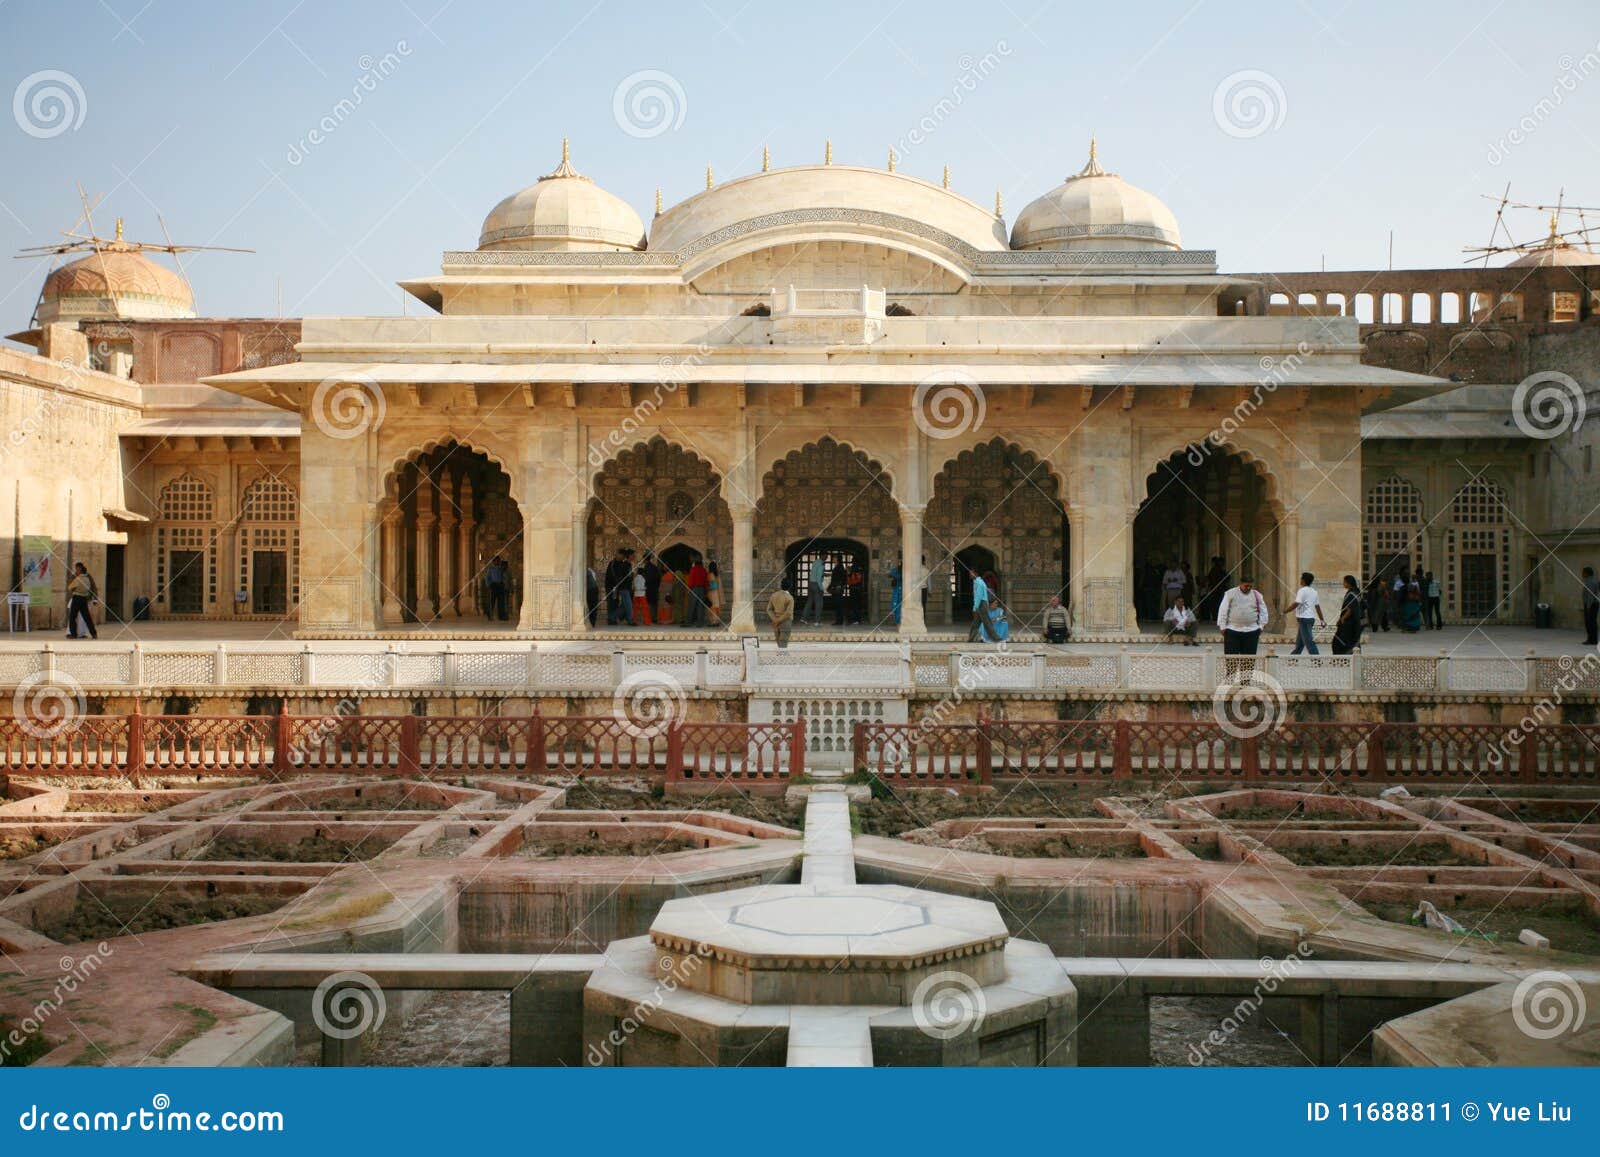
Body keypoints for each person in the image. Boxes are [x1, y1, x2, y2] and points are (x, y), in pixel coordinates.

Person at [1216, 576, 1268, 655]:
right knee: (1231, 659)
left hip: (1252, 630)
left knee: (1248, 659)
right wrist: (1222, 626)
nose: (1248, 588)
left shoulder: (1257, 595)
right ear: (1241, 584)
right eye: (1246, 586)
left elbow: (1263, 611)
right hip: (1233, 629)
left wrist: (1261, 625)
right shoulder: (1230, 593)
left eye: (1250, 586)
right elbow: (1223, 610)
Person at [1284, 571, 1325, 655]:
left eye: (1301, 578)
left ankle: (1317, 659)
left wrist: (1285, 611)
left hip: (1304, 619)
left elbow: (1296, 603)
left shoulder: (1302, 591)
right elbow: (1317, 607)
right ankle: (1293, 658)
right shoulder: (1314, 591)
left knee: (1308, 641)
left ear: (1303, 580)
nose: (1300, 580)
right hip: (1310, 619)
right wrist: (1322, 620)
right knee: (1300, 642)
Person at [65, 562, 97, 639]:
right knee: (87, 617)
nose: (76, 570)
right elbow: (91, 587)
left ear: (80, 569)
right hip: (84, 599)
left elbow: (70, 587)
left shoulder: (78, 577)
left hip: (77, 598)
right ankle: (94, 634)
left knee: (73, 617)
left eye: (77, 568)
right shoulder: (87, 577)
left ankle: (74, 634)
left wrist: (95, 599)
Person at [1332, 574, 1363, 655]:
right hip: (1351, 621)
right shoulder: (1354, 591)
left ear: (1348, 583)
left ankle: (1344, 657)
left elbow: (1350, 608)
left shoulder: (1352, 593)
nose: (1343, 584)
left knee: (1341, 640)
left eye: (1344, 582)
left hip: (1349, 622)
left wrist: (1342, 619)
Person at [967, 566, 995, 642]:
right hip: (981, 605)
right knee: (978, 623)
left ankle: (992, 638)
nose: (970, 575)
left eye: (971, 573)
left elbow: (978, 597)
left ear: (975, 573)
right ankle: (974, 638)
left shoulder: (979, 582)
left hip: (981, 605)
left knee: (984, 623)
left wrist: (975, 608)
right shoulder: (976, 582)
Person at [766, 585, 794, 649]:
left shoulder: (773, 595)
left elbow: (769, 609)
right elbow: (788, 613)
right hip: (786, 621)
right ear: (790, 587)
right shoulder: (789, 597)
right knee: (783, 641)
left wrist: (775, 619)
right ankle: (782, 656)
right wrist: (778, 620)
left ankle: (780, 655)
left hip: (775, 620)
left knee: (778, 640)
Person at [685, 556, 709, 627]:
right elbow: (706, 581)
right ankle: (700, 623)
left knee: (691, 606)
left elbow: (691, 580)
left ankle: (689, 622)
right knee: (700, 606)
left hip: (694, 589)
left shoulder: (693, 569)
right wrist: (705, 590)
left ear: (695, 564)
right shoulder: (704, 570)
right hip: (702, 589)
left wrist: (689, 589)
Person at [485, 557, 510, 622]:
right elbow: (487, 578)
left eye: (498, 561)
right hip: (493, 586)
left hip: (500, 586)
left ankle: (501, 616)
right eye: (495, 561)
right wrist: (488, 585)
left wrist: (504, 585)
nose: (497, 562)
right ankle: (490, 615)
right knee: (491, 601)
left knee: (501, 602)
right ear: (493, 562)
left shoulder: (501, 569)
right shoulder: (490, 569)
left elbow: (504, 576)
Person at [804, 555, 826, 624]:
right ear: (823, 556)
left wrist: (824, 574)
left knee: (809, 602)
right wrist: (821, 588)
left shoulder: (815, 562)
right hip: (816, 584)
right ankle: (817, 621)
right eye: (826, 556)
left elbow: (815, 573)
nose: (827, 558)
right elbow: (818, 578)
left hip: (811, 583)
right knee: (818, 603)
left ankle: (804, 618)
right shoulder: (821, 564)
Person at [1583, 566, 1600, 647]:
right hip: (1593, 604)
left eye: (1583, 572)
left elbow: (1590, 595)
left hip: (1591, 604)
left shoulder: (1590, 582)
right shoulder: (1593, 580)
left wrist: (1588, 607)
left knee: (1590, 623)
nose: (1582, 574)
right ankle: (1592, 639)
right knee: (1592, 622)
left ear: (1586, 573)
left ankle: (1592, 640)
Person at [831, 556, 849, 626]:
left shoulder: (840, 567)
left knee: (838, 604)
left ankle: (839, 620)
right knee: (837, 604)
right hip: (836, 587)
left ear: (837, 559)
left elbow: (842, 577)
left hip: (838, 588)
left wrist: (840, 585)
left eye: (834, 558)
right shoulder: (838, 566)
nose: (833, 558)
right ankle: (838, 620)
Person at [706, 561, 723, 626]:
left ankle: (713, 622)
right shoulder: (717, 575)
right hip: (717, 593)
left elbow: (713, 585)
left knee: (712, 608)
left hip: (712, 593)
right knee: (716, 608)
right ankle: (716, 621)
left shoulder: (710, 574)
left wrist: (707, 589)